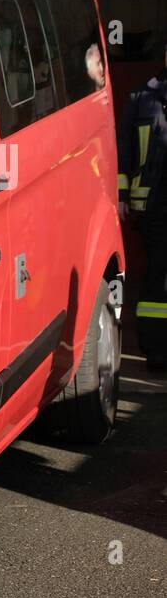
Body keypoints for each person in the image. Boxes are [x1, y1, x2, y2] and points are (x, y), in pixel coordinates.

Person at [118, 45, 167, 373]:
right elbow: (123, 149)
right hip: (155, 206)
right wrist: (121, 195)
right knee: (157, 277)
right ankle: (155, 350)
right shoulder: (142, 99)